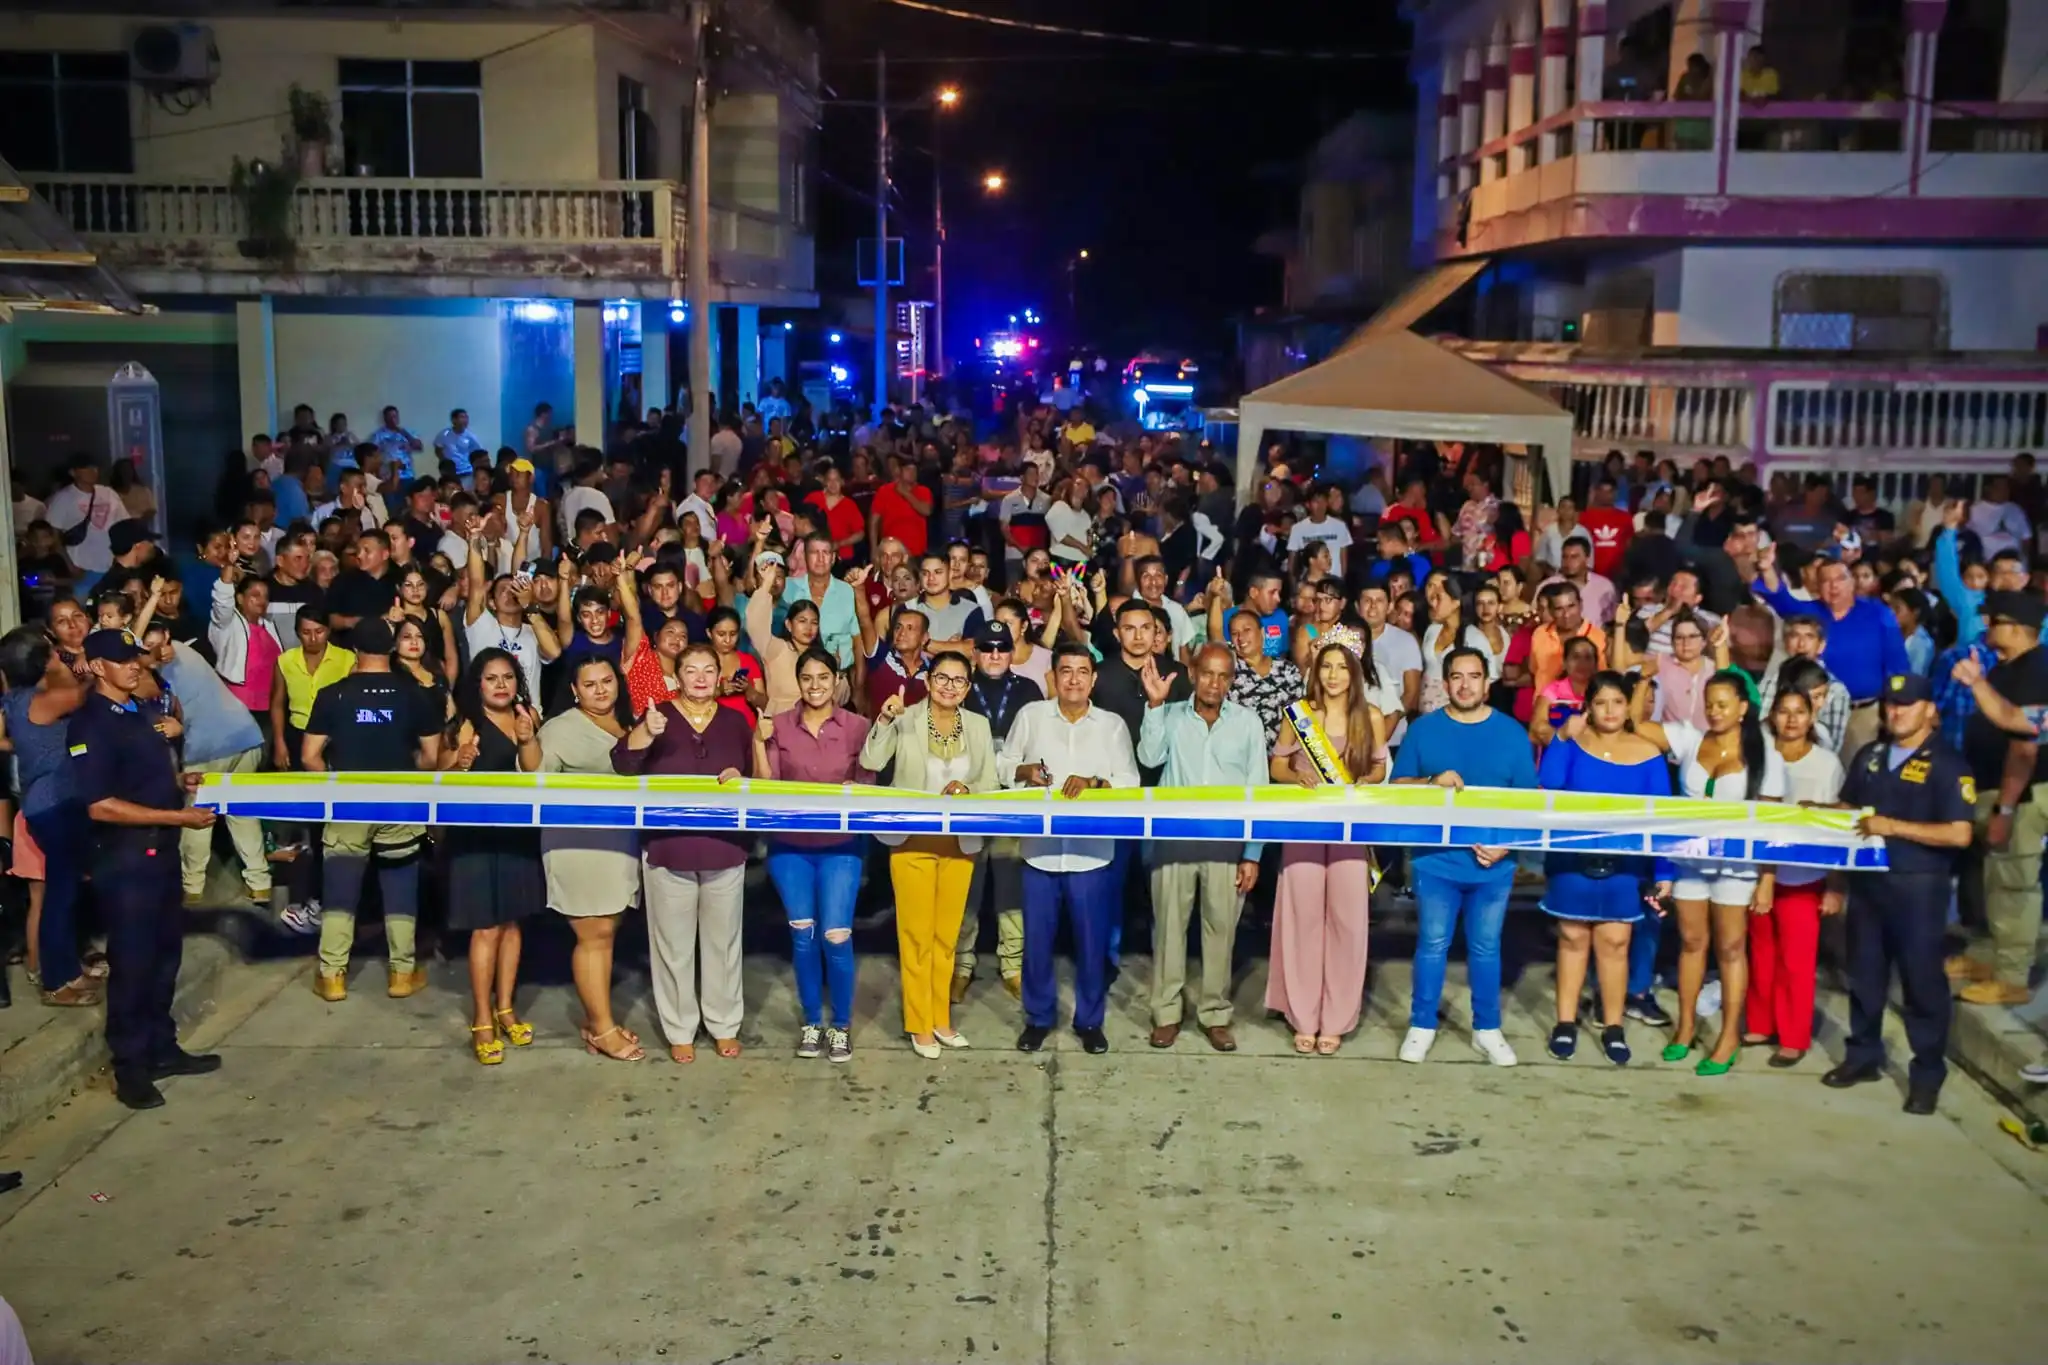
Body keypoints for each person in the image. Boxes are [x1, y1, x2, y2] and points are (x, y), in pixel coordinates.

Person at [67, 627, 221, 1110]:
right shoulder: (90, 725)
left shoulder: (139, 711)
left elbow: (142, 775)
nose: (135, 665)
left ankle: (161, 1046)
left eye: (135, 658)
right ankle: (130, 1068)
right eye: (122, 660)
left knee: (164, 957)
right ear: (96, 667)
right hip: (128, 858)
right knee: (132, 965)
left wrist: (180, 780)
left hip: (161, 853)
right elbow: (100, 804)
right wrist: (178, 815)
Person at [1824, 673, 1974, 1115]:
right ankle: (1863, 1056)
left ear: (1930, 710)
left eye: (1906, 705)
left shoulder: (1948, 765)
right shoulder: (1871, 755)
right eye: (1891, 704)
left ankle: (1927, 1074)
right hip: (1869, 887)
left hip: (1918, 889)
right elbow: (1849, 810)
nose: (1895, 712)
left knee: (1922, 984)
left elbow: (1960, 833)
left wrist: (1894, 828)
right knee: (1864, 975)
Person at [1392, 646, 1540, 1066]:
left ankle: (1487, 1029)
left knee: (1486, 947)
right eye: (1456, 676)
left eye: (1474, 676)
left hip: (1495, 863)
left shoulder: (1511, 733)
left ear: (1487, 683)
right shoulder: (1424, 730)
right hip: (1436, 859)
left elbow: (1528, 802)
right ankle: (1422, 1025)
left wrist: (1506, 845)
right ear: (1445, 683)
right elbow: (1396, 786)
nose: (1465, 684)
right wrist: (1429, 782)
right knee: (1432, 943)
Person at [1639, 670, 1786, 1075]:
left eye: (1723, 704)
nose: (1715, 711)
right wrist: (1642, 682)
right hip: (1690, 860)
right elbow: (1638, 725)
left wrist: (1767, 878)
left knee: (1731, 949)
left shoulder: (1765, 755)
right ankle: (1686, 1027)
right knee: (1691, 943)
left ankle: (1728, 1036)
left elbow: (1772, 825)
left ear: (1742, 708)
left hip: (1737, 868)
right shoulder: (1690, 739)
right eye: (1710, 704)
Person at [998, 642, 1143, 1055]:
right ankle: (1039, 1019)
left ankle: (1090, 1021)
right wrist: (1024, 771)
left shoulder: (1111, 725)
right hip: (1039, 852)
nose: (1074, 679)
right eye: (1066, 671)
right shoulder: (1032, 717)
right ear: (1055, 677)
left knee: (1091, 945)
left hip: (1091, 855)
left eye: (1082, 671)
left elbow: (1130, 783)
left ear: (1093, 679)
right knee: (1038, 944)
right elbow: (1002, 766)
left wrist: (1095, 782)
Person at [613, 642, 753, 1063]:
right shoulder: (658, 717)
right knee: (672, 945)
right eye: (691, 670)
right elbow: (622, 763)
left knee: (723, 942)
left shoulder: (735, 721)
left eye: (709, 669)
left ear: (719, 674)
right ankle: (679, 1028)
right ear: (678, 676)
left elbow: (753, 776)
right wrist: (646, 731)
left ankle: (724, 1023)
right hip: (669, 848)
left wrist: (740, 779)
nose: (701, 678)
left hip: (724, 847)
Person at [860, 649, 997, 1056]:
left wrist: (968, 790)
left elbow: (989, 783)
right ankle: (918, 1023)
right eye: (942, 678)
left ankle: (941, 1020)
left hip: (959, 844)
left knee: (946, 937)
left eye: (958, 681)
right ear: (928, 680)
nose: (950, 687)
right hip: (912, 843)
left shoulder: (978, 725)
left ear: (968, 687)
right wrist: (884, 719)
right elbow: (870, 759)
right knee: (916, 936)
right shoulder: (905, 719)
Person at [1535, 671, 1673, 1065]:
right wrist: (1561, 738)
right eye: (1600, 702)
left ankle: (1613, 1026)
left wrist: (1664, 872)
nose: (1610, 710)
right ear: (1588, 707)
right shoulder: (1574, 743)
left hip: (1624, 868)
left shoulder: (1649, 754)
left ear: (1629, 705)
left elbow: (1662, 821)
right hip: (1572, 863)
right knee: (1573, 940)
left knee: (1615, 944)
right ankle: (1565, 1022)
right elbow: (1549, 785)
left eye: (1617, 702)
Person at [301, 620, 442, 1004]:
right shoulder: (416, 694)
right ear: (393, 647)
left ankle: (332, 977)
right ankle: (401, 973)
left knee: (341, 892)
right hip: (399, 802)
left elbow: (309, 756)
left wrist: (336, 784)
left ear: (355, 651)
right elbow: (431, 758)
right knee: (400, 889)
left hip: (348, 805)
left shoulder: (333, 695)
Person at [1136, 644, 1267, 1052]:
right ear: (1193, 674)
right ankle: (1167, 1013)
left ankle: (1214, 1013)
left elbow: (1259, 791)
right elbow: (1148, 755)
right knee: (1169, 931)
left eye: (1224, 675)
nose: (1215, 683)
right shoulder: (1170, 715)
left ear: (1232, 679)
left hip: (1226, 845)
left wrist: (1253, 853)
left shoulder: (1247, 723)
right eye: (1208, 673)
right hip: (1173, 841)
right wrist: (1154, 706)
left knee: (1220, 932)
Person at [1268, 634, 1389, 1055]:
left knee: (1347, 920)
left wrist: (1362, 783)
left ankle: (1336, 1018)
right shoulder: (1299, 716)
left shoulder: (1369, 716)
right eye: (1326, 667)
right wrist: (1294, 778)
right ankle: (1303, 1013)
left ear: (1353, 673)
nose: (1333, 675)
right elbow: (1277, 766)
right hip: (1303, 826)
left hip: (1349, 830)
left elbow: (1378, 769)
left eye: (1341, 667)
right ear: (1315, 672)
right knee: (1302, 918)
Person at [753, 647, 871, 1062]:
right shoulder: (779, 726)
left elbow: (868, 785)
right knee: (803, 937)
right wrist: (757, 742)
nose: (816, 686)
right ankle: (811, 1022)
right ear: (798, 682)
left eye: (824, 677)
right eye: (807, 678)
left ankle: (840, 1026)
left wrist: (858, 790)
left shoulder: (858, 727)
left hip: (840, 848)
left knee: (835, 936)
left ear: (837, 680)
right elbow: (767, 786)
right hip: (790, 849)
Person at [441, 648, 545, 1064]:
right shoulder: (466, 723)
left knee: (512, 924)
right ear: (477, 684)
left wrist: (527, 737)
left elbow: (534, 769)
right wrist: (460, 761)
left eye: (507, 677)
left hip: (517, 831)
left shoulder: (527, 716)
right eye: (491, 678)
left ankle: (506, 1008)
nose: (501, 685)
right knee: (485, 928)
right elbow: (439, 774)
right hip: (476, 836)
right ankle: (482, 1018)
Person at [536, 657, 643, 1060]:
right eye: (590, 684)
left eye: (607, 680)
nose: (600, 689)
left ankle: (598, 1019)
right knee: (592, 934)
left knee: (606, 930)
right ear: (574, 690)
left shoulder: (628, 723)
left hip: (618, 842)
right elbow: (535, 779)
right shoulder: (560, 729)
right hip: (576, 844)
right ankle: (601, 1029)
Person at [1951, 590, 2048, 1005]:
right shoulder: (2009, 667)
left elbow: (2024, 738)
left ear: (2014, 627)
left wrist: (2006, 807)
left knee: (2013, 885)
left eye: (1993, 620)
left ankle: (2012, 977)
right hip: (1993, 790)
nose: (1987, 627)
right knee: (1989, 880)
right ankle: (1987, 957)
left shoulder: (2039, 668)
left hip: (2022, 795)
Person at [1746, 686, 1845, 1067]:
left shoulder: (1826, 764)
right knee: (1762, 954)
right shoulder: (1760, 759)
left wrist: (1835, 884)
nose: (1791, 719)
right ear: (1772, 716)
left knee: (1797, 962)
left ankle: (1793, 1035)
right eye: (1783, 711)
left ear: (1811, 716)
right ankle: (1760, 1023)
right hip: (1758, 872)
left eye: (1799, 712)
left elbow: (1839, 827)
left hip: (1804, 877)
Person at [0, 629, 94, 1005]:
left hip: (53, 804)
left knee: (64, 894)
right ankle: (57, 982)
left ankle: (67, 972)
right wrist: (61, 664)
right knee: (60, 896)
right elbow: (82, 693)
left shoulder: (19, 699)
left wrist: (51, 661)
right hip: (53, 807)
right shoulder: (42, 702)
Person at [955, 620, 1042, 1000]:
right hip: (969, 801)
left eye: (1002, 649)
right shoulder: (958, 687)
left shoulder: (1028, 690)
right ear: (974, 652)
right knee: (966, 888)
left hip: (1011, 801)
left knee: (1010, 887)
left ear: (1012, 652)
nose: (994, 656)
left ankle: (1013, 964)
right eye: (987, 648)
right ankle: (960, 965)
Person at [154, 628, 270, 910]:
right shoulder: (183, 648)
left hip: (208, 747)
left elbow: (171, 717)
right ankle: (260, 884)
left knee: (198, 818)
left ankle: (192, 887)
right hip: (245, 735)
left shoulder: (153, 670)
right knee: (242, 814)